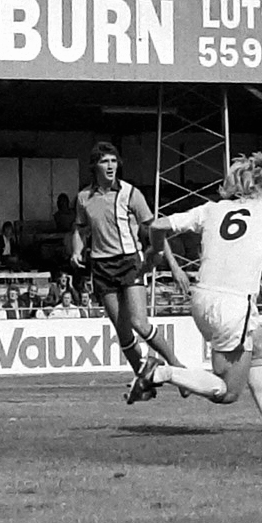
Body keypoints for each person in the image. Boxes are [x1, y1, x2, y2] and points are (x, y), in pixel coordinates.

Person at [130, 153, 262, 434]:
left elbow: (158, 225)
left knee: (257, 344)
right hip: (234, 303)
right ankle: (161, 372)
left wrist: (156, 252)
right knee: (228, 391)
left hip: (201, 298)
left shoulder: (213, 209)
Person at [70, 141, 183, 394]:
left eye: (113, 161)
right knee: (123, 332)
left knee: (139, 323)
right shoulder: (84, 198)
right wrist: (76, 250)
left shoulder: (130, 194)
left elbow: (156, 229)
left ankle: (177, 367)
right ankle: (144, 382)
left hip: (129, 261)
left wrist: (173, 266)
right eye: (104, 161)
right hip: (101, 266)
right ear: (95, 166)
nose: (110, 166)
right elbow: (79, 229)